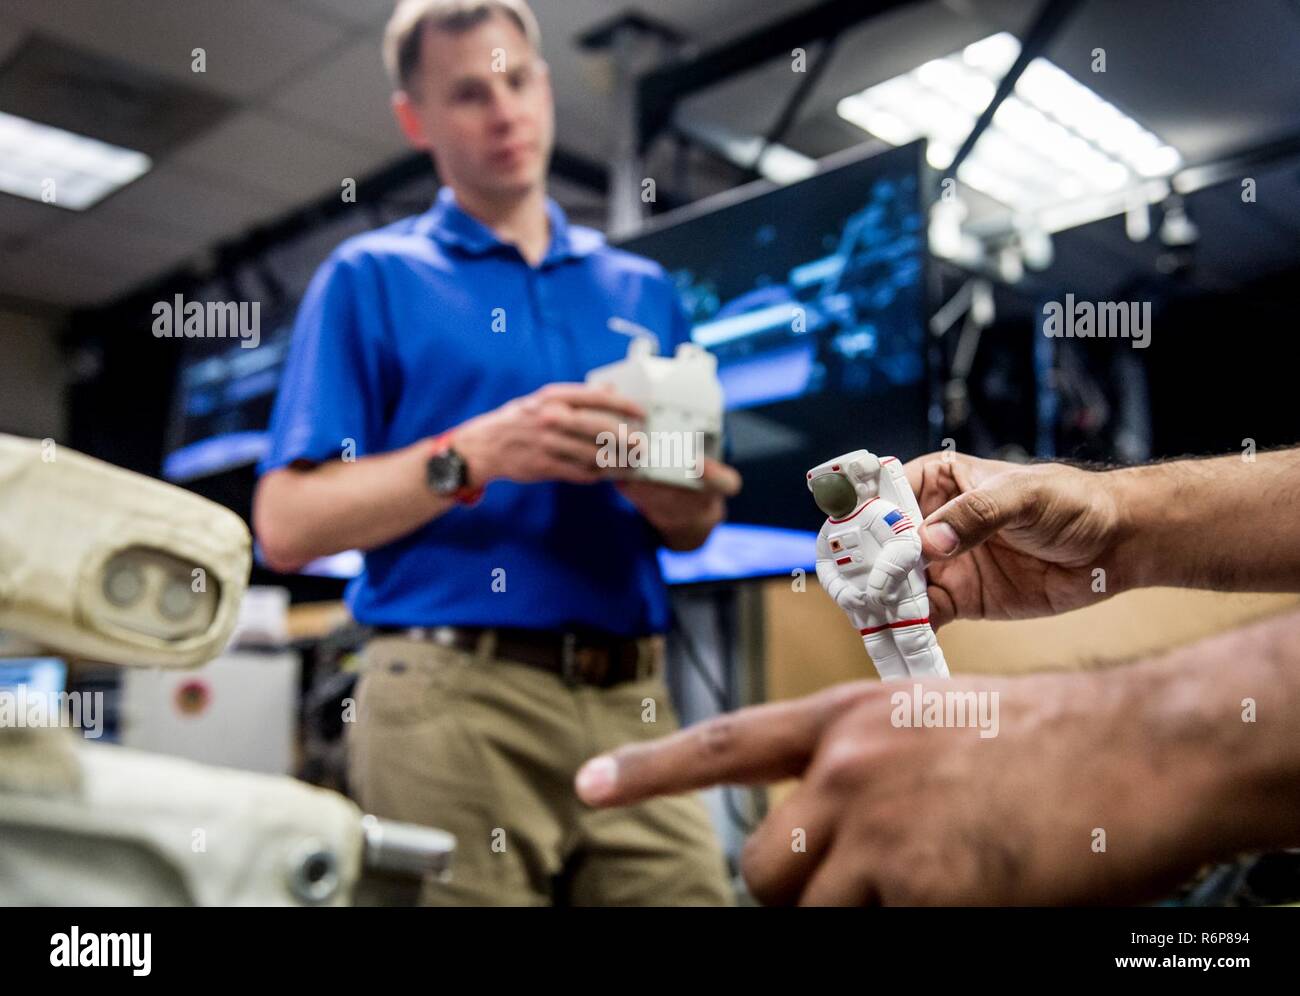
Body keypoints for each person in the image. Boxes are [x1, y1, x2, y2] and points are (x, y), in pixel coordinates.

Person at [253, 0, 739, 906]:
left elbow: (700, 516)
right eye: (469, 92)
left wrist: (647, 470)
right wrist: (470, 456)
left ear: (547, 88)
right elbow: (286, 526)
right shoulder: (370, 279)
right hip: (450, 699)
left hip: (634, 698)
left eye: (517, 81)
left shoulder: (642, 287)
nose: (505, 111)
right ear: (416, 118)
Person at [575, 448, 1300, 904]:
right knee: (903, 681)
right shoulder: (833, 533)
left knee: (921, 669)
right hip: (870, 614)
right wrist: (1124, 517)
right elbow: (833, 569)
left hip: (900, 606)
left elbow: (900, 552)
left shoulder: (886, 518)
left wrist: (1104, 742)